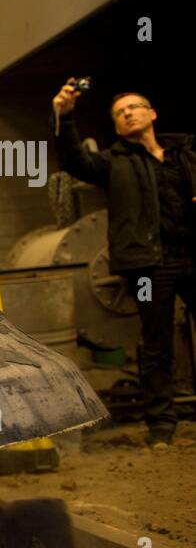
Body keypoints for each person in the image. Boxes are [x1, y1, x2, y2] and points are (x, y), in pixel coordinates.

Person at [52, 80, 196, 448]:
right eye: (120, 113)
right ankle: (162, 426)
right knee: (156, 344)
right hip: (150, 265)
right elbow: (73, 160)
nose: (128, 113)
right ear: (117, 127)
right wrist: (65, 118)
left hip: (191, 257)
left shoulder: (185, 153)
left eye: (134, 107)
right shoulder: (113, 163)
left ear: (152, 114)